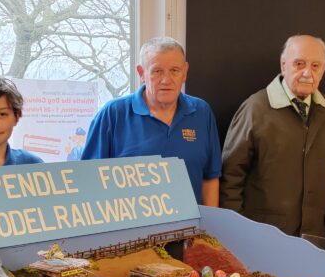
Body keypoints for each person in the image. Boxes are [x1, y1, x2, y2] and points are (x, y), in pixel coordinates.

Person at [220, 35, 325, 239]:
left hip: (314, 238)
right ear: (283, 65)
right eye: (299, 64)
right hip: (263, 237)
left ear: (324, 69)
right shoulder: (255, 109)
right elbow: (231, 178)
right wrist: (237, 233)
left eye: (315, 66)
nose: (307, 73)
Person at [81, 37, 221, 205]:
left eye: (174, 70)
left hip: (188, 229)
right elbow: (88, 184)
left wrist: (211, 226)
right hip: (129, 228)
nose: (166, 80)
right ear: (141, 73)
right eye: (157, 71)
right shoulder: (112, 115)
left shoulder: (201, 112)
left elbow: (210, 178)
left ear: (184, 72)